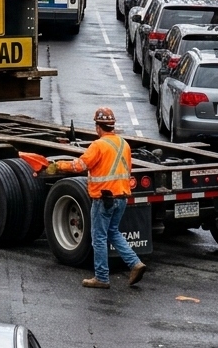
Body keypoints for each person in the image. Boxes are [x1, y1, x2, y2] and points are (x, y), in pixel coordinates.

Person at [47, 107, 148, 289]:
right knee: (113, 232)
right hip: (121, 197)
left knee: (99, 237)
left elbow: (80, 166)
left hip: (104, 199)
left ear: (98, 127)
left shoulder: (98, 145)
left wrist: (58, 165)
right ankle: (135, 263)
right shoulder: (124, 144)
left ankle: (101, 277)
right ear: (112, 125)